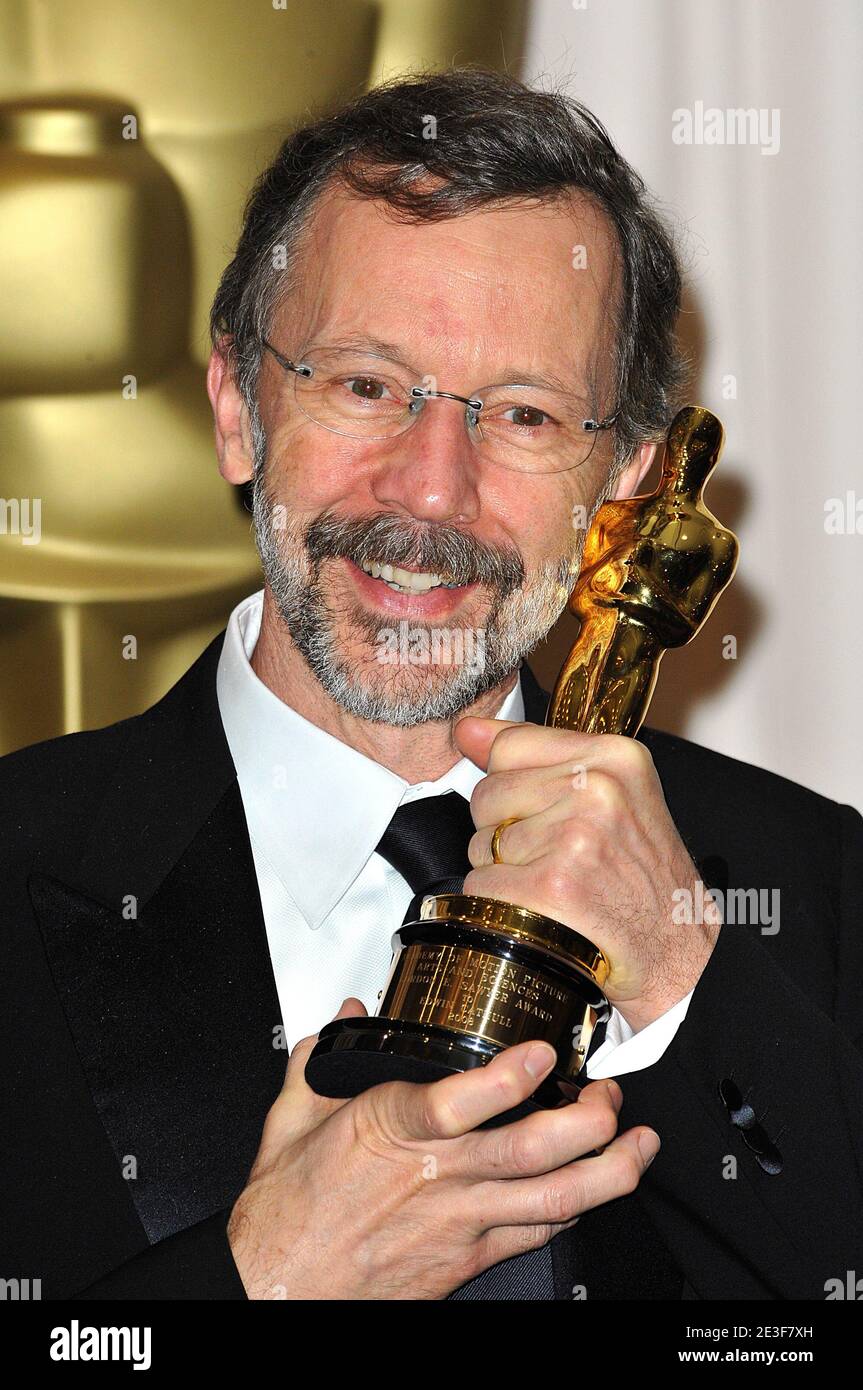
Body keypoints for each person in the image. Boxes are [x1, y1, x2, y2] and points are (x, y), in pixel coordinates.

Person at [1, 69, 860, 1301]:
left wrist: (679, 991)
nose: (429, 491)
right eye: (364, 386)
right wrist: (261, 1282)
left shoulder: (808, 889)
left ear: (624, 482)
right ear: (240, 407)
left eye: (520, 414)